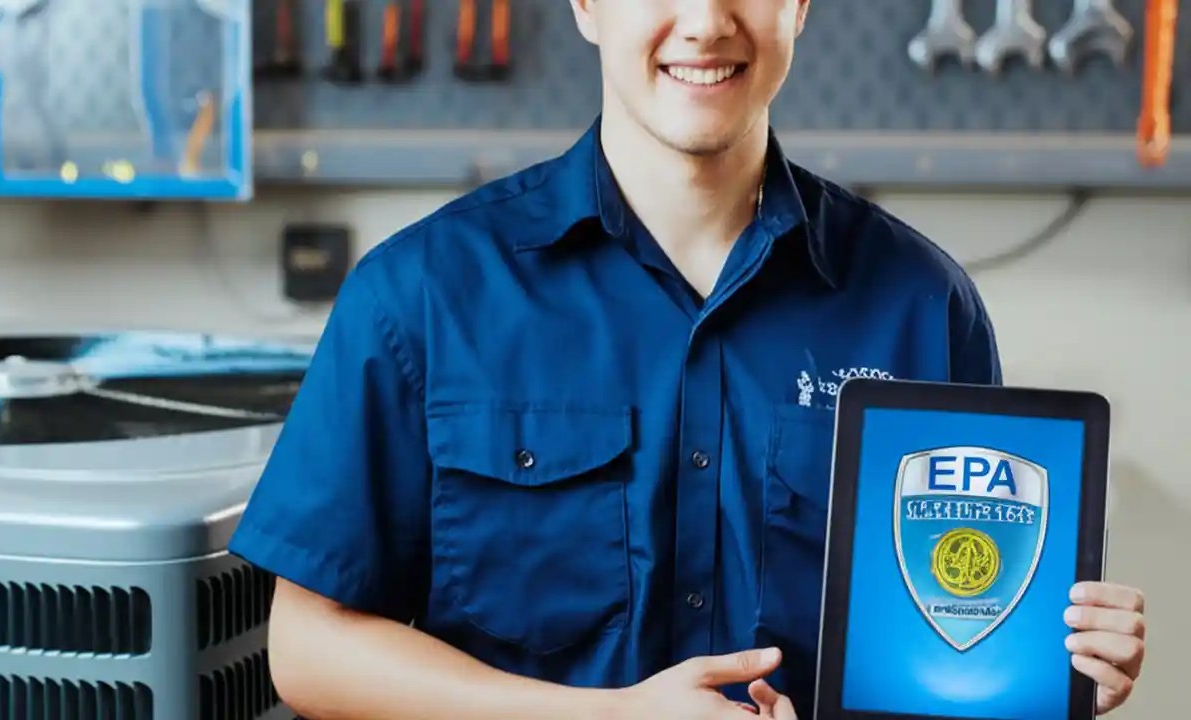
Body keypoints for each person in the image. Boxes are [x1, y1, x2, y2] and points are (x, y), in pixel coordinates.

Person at [228, 1, 1147, 718]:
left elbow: (950, 647)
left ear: (801, 6)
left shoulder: (924, 307)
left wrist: (1041, 674)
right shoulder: (420, 296)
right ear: (587, 7)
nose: (706, 23)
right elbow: (312, 649)